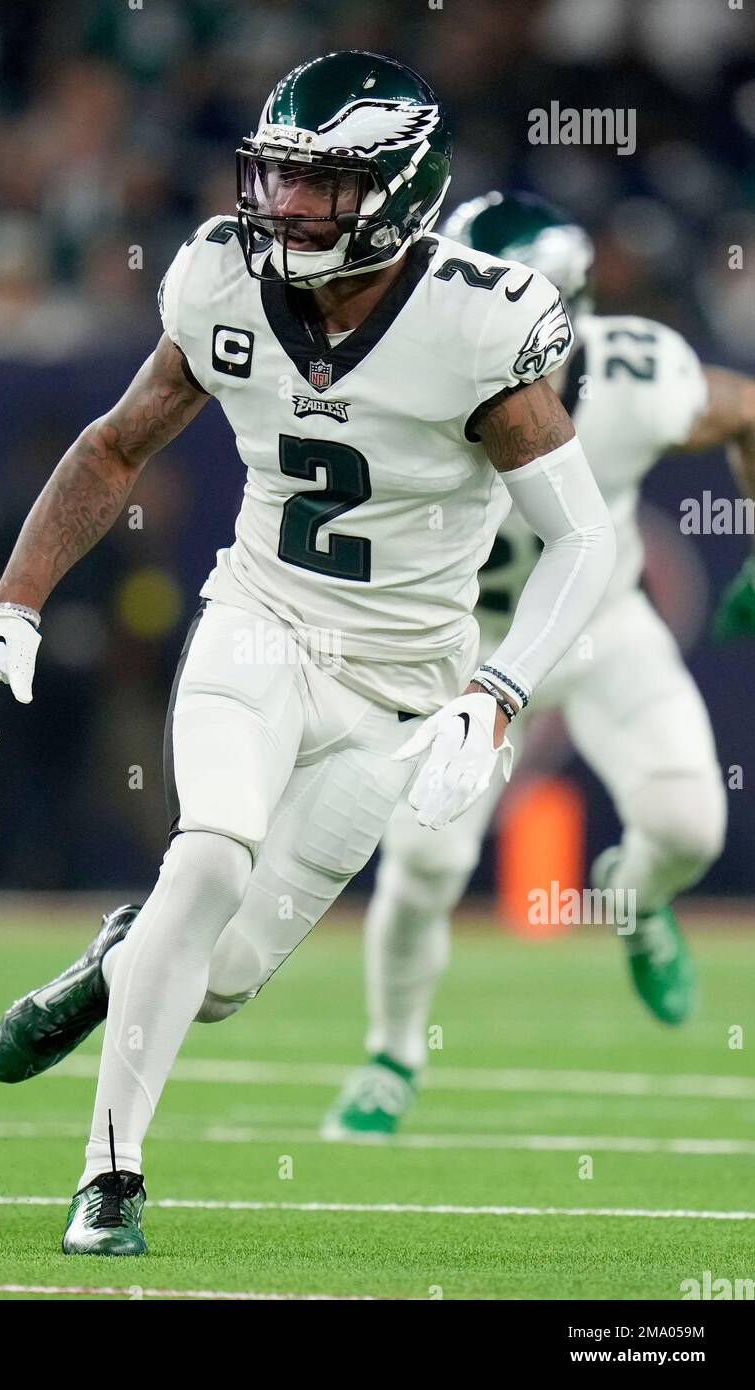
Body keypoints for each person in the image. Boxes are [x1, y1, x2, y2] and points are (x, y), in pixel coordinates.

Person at [0, 55, 614, 1254]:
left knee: (225, 974)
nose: (288, 208)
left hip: (401, 684)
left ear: (401, 193)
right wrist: (15, 610)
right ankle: (111, 1180)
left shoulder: (477, 320)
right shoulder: (219, 280)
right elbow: (112, 449)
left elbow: (582, 537)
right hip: (259, 620)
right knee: (207, 858)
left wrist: (497, 692)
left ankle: (114, 957)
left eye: (323, 186)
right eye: (279, 177)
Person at [323, 191, 755, 1139]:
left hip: (599, 629)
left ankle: (635, 901)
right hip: (465, 643)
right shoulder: (403, 372)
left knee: (689, 825)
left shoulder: (639, 378)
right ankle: (393, 1054)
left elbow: (746, 411)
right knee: (427, 858)